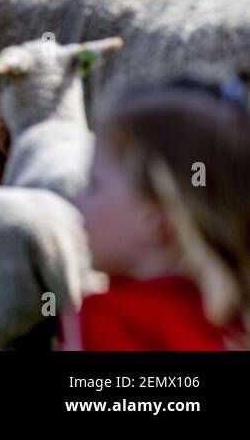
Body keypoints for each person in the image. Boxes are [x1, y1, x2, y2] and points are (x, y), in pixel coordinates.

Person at [63, 78, 250, 350]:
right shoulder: (232, 318)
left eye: (93, 185)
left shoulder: (114, 321)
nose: (74, 200)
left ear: (154, 218)